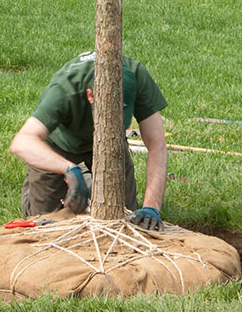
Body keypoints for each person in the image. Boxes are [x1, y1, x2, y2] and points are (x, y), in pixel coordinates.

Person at [9, 51, 169, 230]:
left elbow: (157, 145)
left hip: (111, 142)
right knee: (45, 218)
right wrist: (68, 169)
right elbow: (22, 142)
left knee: (125, 215)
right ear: (90, 95)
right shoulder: (65, 89)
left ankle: (86, 178)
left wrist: (151, 207)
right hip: (59, 143)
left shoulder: (138, 79)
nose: (115, 118)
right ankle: (40, 182)